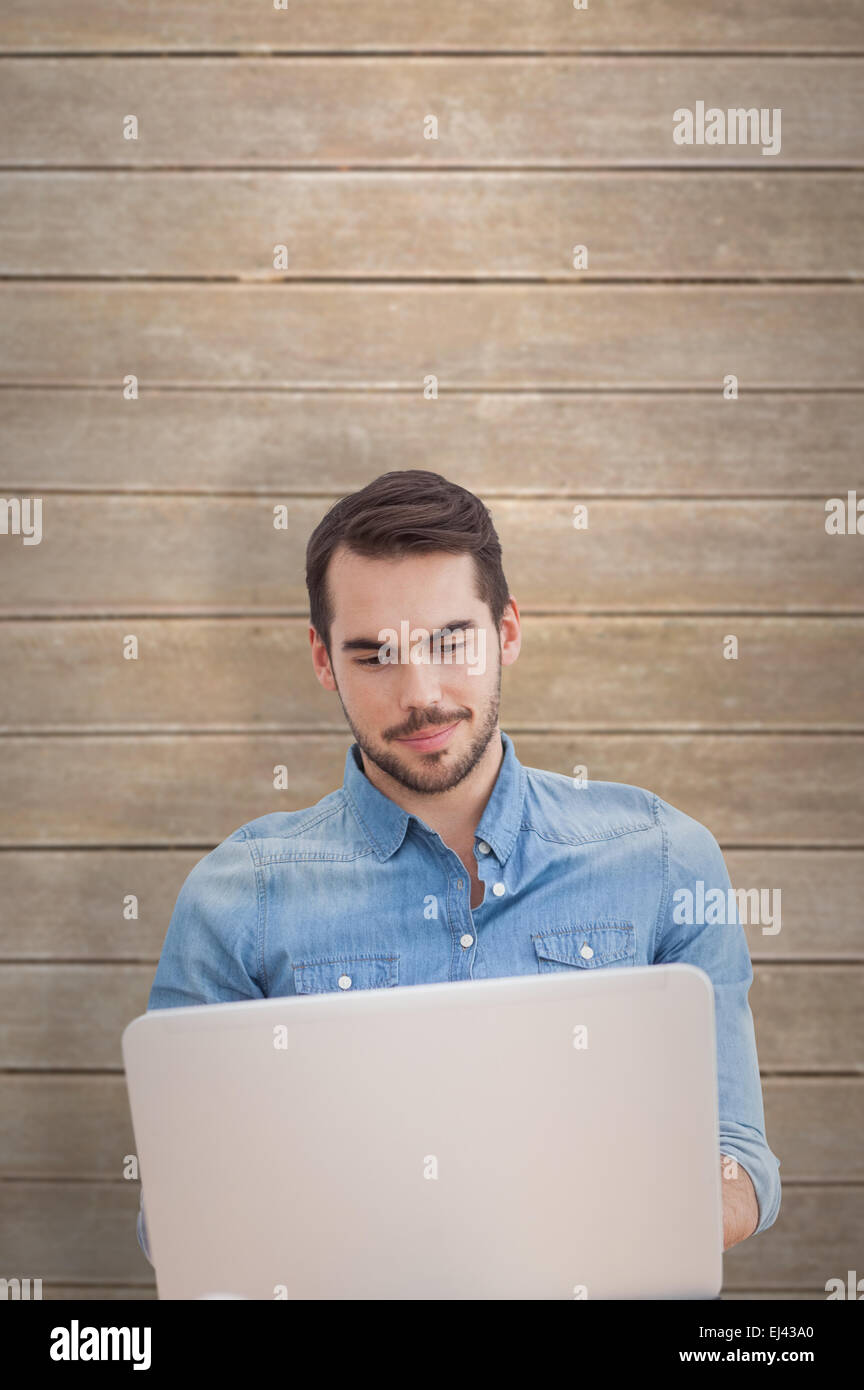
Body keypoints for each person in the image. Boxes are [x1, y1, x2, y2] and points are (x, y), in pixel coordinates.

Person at [137, 469, 780, 1265]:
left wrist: (559, 1219)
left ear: (507, 630)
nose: (423, 695)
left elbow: (738, 1164)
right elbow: (178, 1210)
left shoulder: (664, 860)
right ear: (322, 660)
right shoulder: (237, 902)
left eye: (450, 642)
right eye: (375, 656)